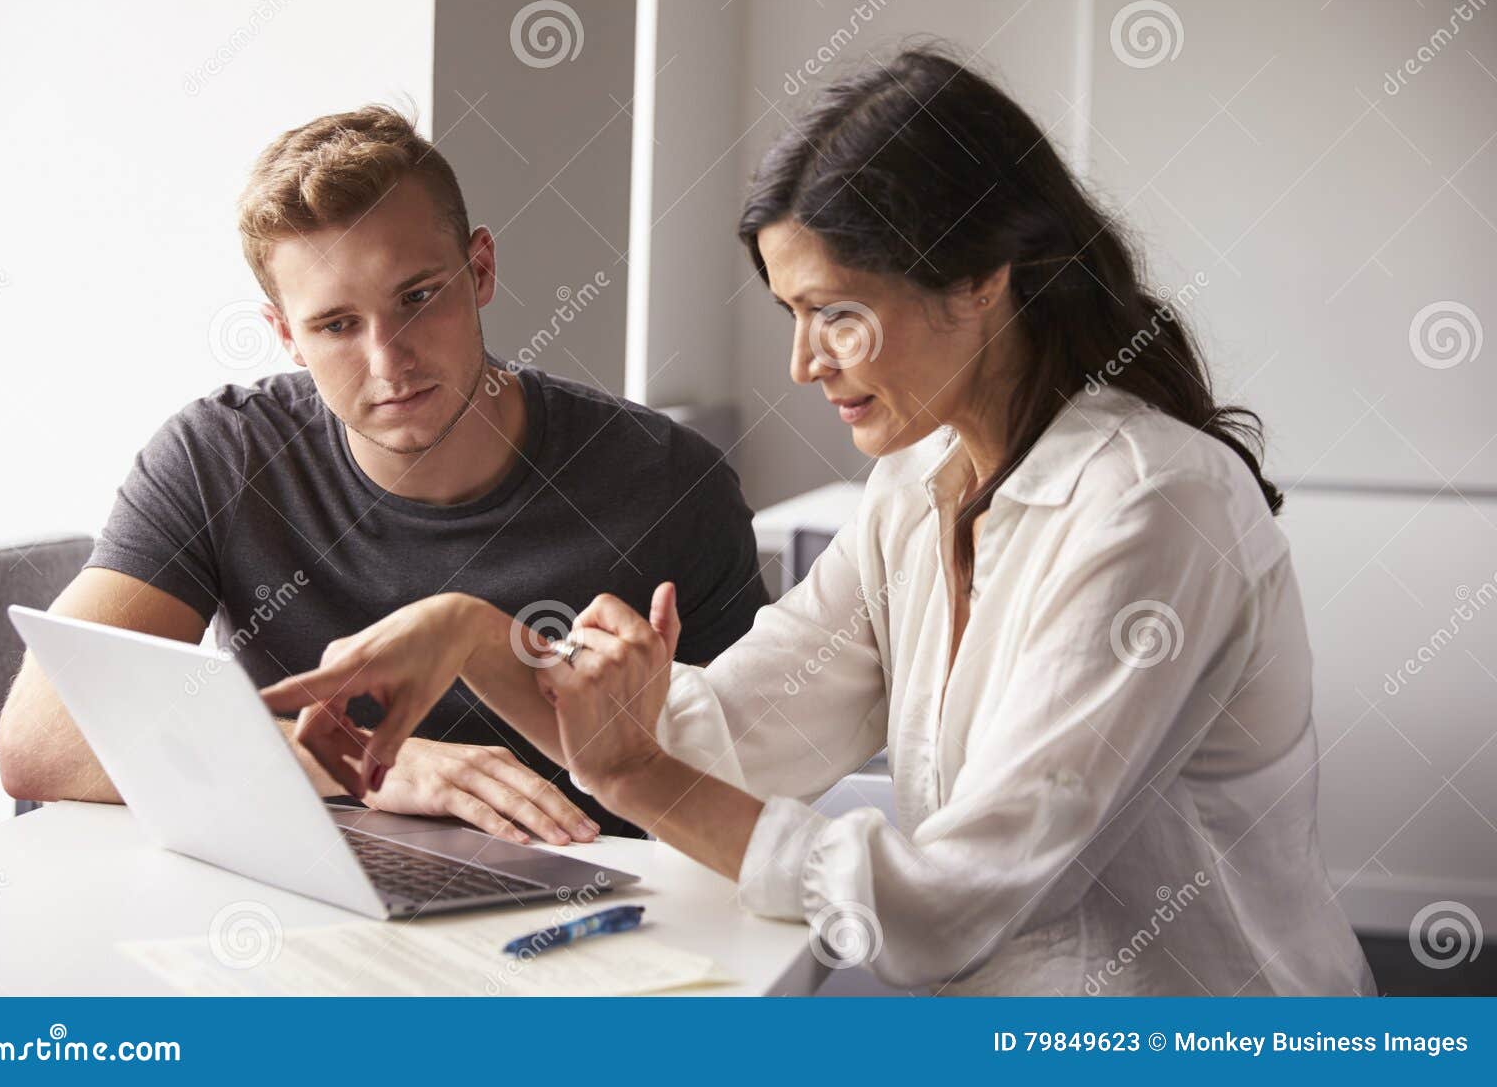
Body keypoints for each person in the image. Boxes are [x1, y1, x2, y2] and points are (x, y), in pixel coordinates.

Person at [261, 49, 1377, 995]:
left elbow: (944, 906)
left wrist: (641, 773)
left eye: (835, 312)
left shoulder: (1148, 502)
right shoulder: (920, 483)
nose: (803, 362)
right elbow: (720, 738)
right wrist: (467, 630)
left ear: (980, 280)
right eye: (792, 315)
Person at [0, 105, 769, 845]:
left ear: (481, 269)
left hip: (592, 915)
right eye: (336, 325)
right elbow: (41, 740)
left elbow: (760, 796)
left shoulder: (669, 481)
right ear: (284, 335)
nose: (388, 359)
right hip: (309, 895)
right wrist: (361, 765)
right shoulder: (219, 457)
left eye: (418, 297)